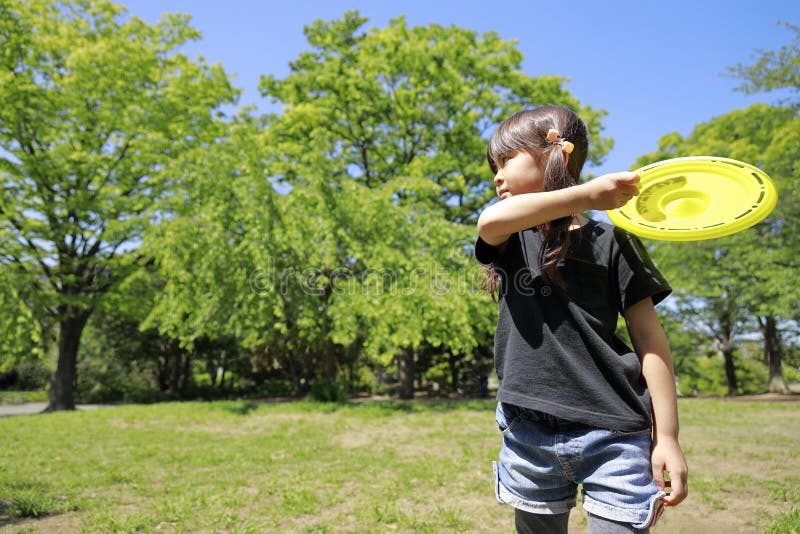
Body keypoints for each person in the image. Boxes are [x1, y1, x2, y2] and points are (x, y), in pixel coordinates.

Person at [475, 105, 688, 533]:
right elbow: (488, 220)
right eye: (493, 166)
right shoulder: (511, 238)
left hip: (616, 435)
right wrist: (587, 194)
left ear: (558, 154)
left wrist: (667, 438)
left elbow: (651, 342)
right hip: (528, 431)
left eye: (507, 161)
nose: (497, 177)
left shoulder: (612, 242)